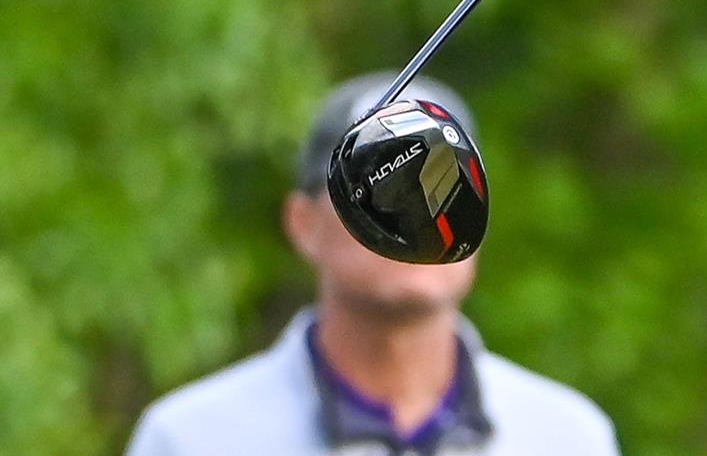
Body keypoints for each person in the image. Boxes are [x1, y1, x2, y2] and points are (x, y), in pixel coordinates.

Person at [127, 74, 620, 456]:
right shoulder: (188, 440)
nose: (419, 220)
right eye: (379, 193)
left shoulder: (570, 438)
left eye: (443, 189)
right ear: (302, 224)